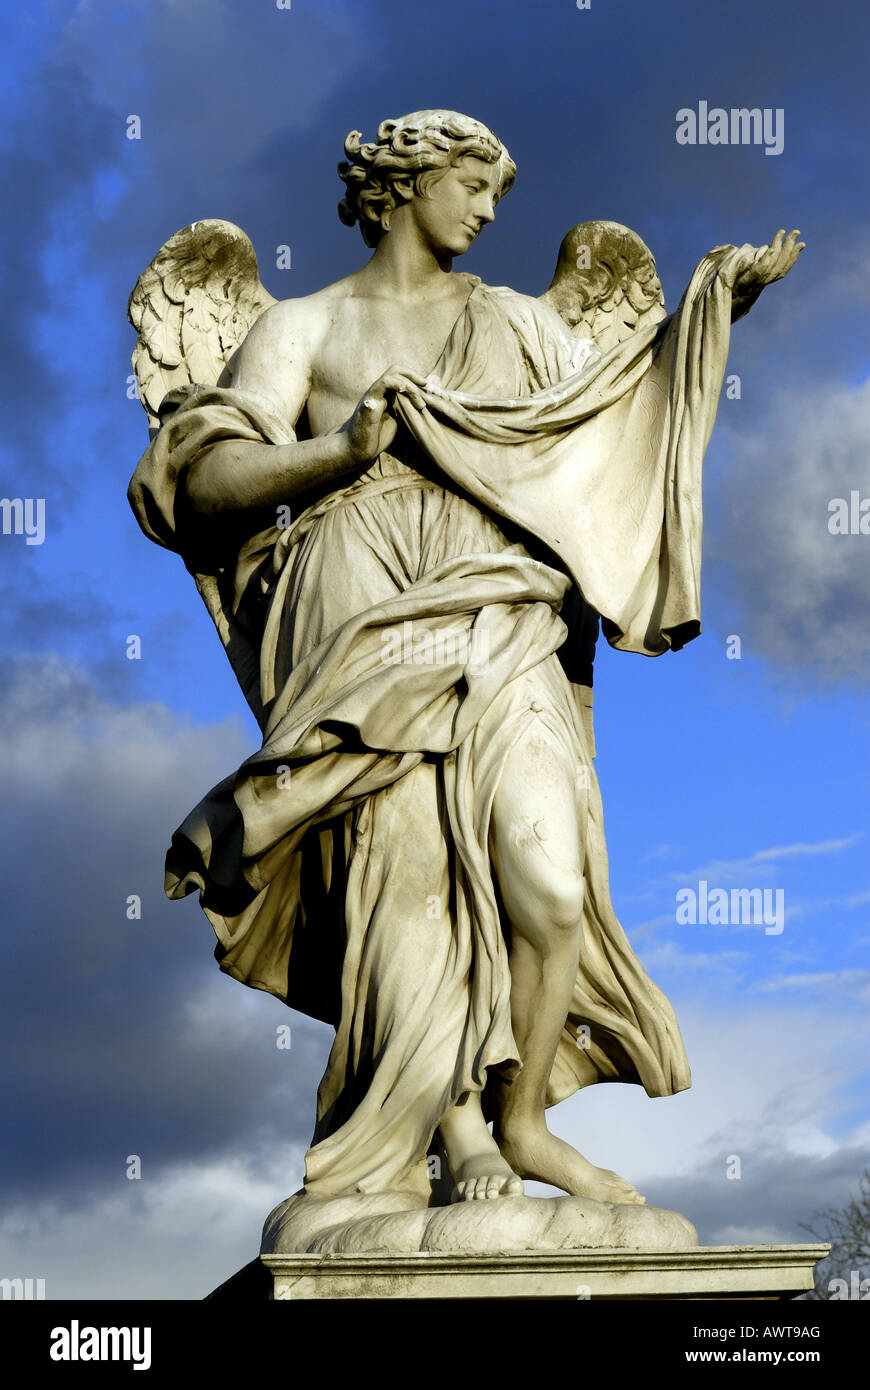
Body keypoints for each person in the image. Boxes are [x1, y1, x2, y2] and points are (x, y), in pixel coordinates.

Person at [128, 109, 802, 1208]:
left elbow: (610, 417)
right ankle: (451, 1130)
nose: (490, 210)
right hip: (358, 608)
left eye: (498, 189)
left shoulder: (526, 324)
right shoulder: (303, 324)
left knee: (548, 885)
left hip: (499, 608)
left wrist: (711, 310)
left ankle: (522, 1117)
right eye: (473, 185)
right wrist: (339, 450)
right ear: (403, 186)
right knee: (406, 883)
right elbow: (200, 482)